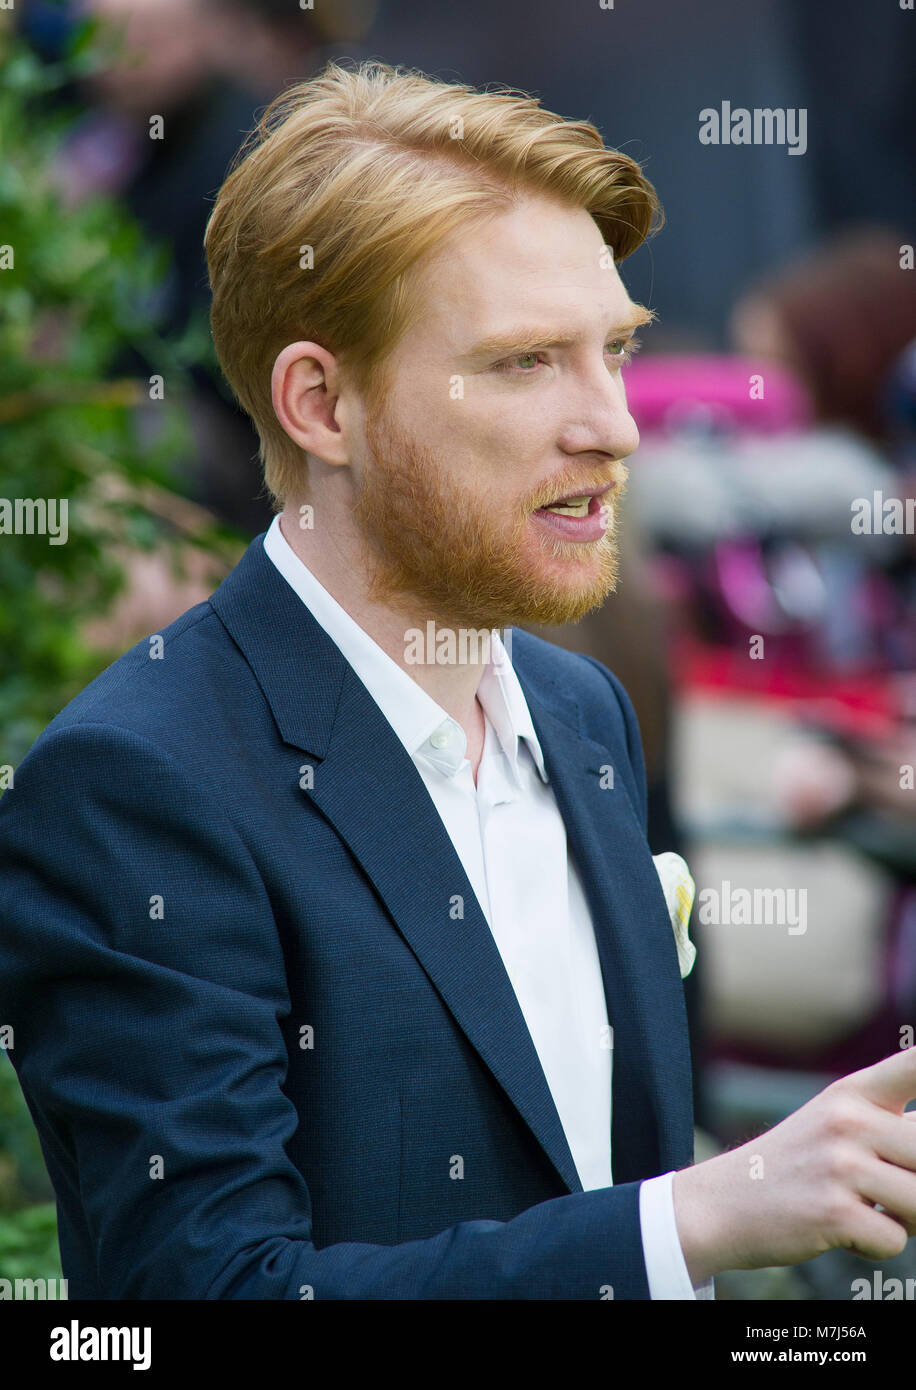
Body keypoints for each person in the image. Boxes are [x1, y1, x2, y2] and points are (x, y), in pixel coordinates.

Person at [1, 60, 914, 1301]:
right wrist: (689, 1223)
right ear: (323, 403)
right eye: (526, 362)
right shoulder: (135, 787)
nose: (616, 422)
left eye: (617, 349)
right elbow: (210, 1294)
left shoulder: (583, 714)